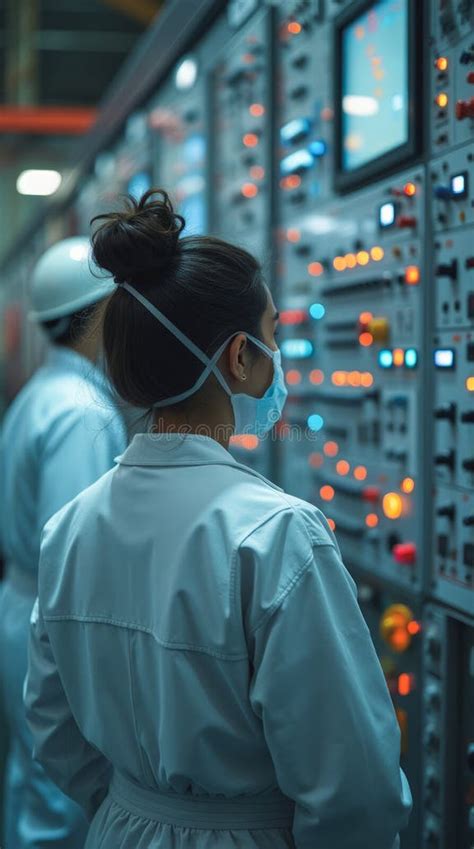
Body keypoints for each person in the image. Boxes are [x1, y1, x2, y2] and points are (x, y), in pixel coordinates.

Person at [25, 190, 412, 849]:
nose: (276, 359)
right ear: (238, 357)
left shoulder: (69, 527)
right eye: (272, 337)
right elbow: (355, 791)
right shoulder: (278, 537)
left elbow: (53, 730)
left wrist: (139, 810)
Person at [0, 237, 127, 848]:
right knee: (59, 798)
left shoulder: (44, 393)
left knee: (34, 779)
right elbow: (74, 557)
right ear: (102, 312)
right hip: (49, 625)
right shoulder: (78, 411)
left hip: (23, 613)